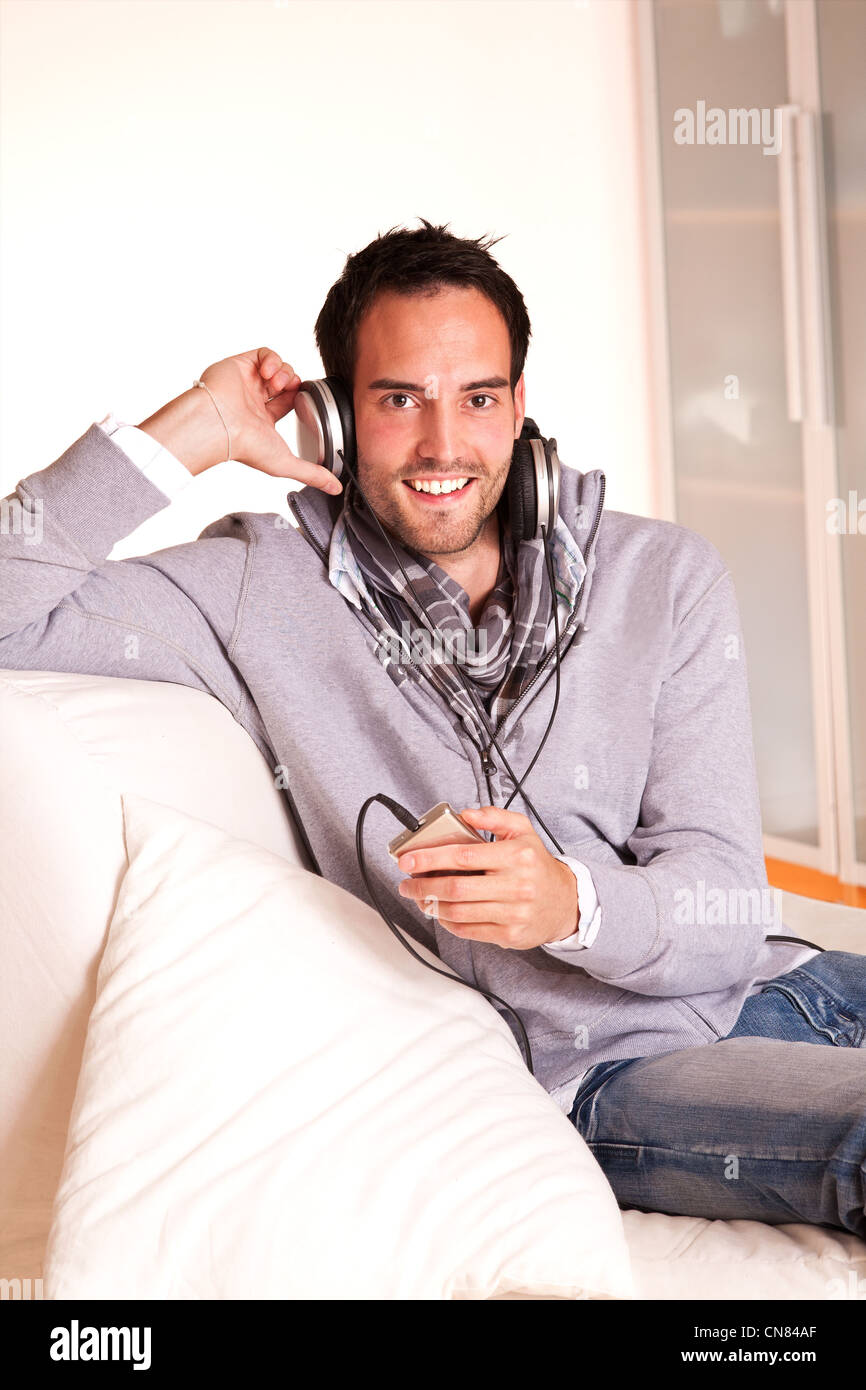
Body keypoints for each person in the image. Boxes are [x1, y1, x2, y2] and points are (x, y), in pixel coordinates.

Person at [2, 219, 864, 1235]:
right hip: (617, 1071)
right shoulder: (254, 586)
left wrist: (571, 902)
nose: (443, 444)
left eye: (477, 398)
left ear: (518, 411)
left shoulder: (661, 575)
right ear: (333, 419)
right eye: (398, 399)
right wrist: (187, 429)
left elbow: (719, 887)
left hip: (786, 977)